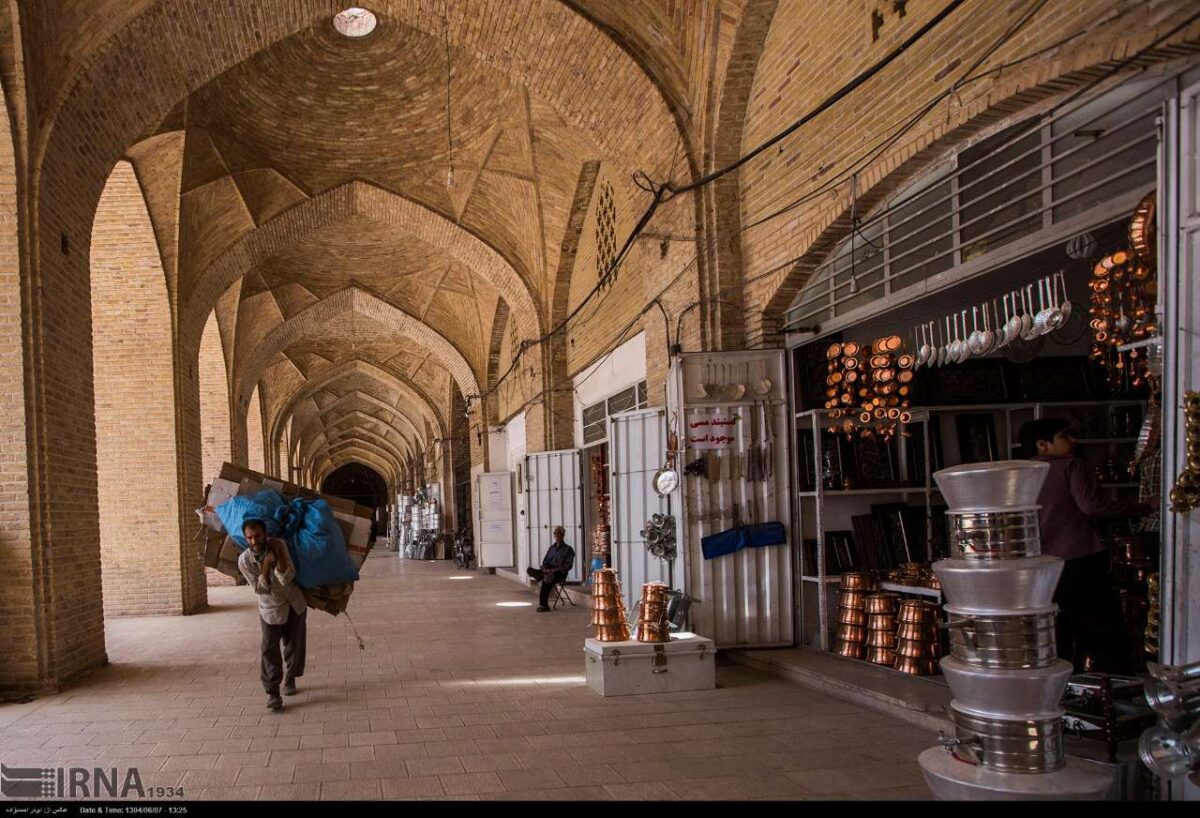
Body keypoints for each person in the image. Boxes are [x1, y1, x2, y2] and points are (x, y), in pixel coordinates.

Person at [1019, 419, 1152, 673]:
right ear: (1043, 445)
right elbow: (1093, 506)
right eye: (1064, 436)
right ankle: (1113, 690)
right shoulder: (1071, 466)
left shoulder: (1023, 474)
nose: (1072, 441)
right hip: (1080, 558)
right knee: (1101, 628)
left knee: (1057, 631)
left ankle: (1065, 690)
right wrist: (1144, 506)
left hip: (1041, 564)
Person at [237, 518, 308, 711]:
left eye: (257, 536)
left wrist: (277, 554)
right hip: (269, 609)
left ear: (265, 534)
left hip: (294, 603)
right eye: (249, 538)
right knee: (269, 649)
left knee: (294, 643)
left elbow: (287, 577)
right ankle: (273, 692)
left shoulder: (280, 545)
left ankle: (290, 678)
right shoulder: (244, 560)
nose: (254, 541)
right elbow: (260, 589)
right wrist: (266, 566)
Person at [526, 525, 575, 612]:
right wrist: (545, 568)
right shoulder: (552, 548)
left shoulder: (568, 549)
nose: (556, 536)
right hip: (548, 570)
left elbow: (568, 566)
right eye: (555, 534)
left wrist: (553, 570)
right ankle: (542, 574)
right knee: (529, 570)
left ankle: (543, 605)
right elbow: (545, 561)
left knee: (547, 579)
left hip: (559, 573)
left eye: (558, 534)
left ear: (563, 535)